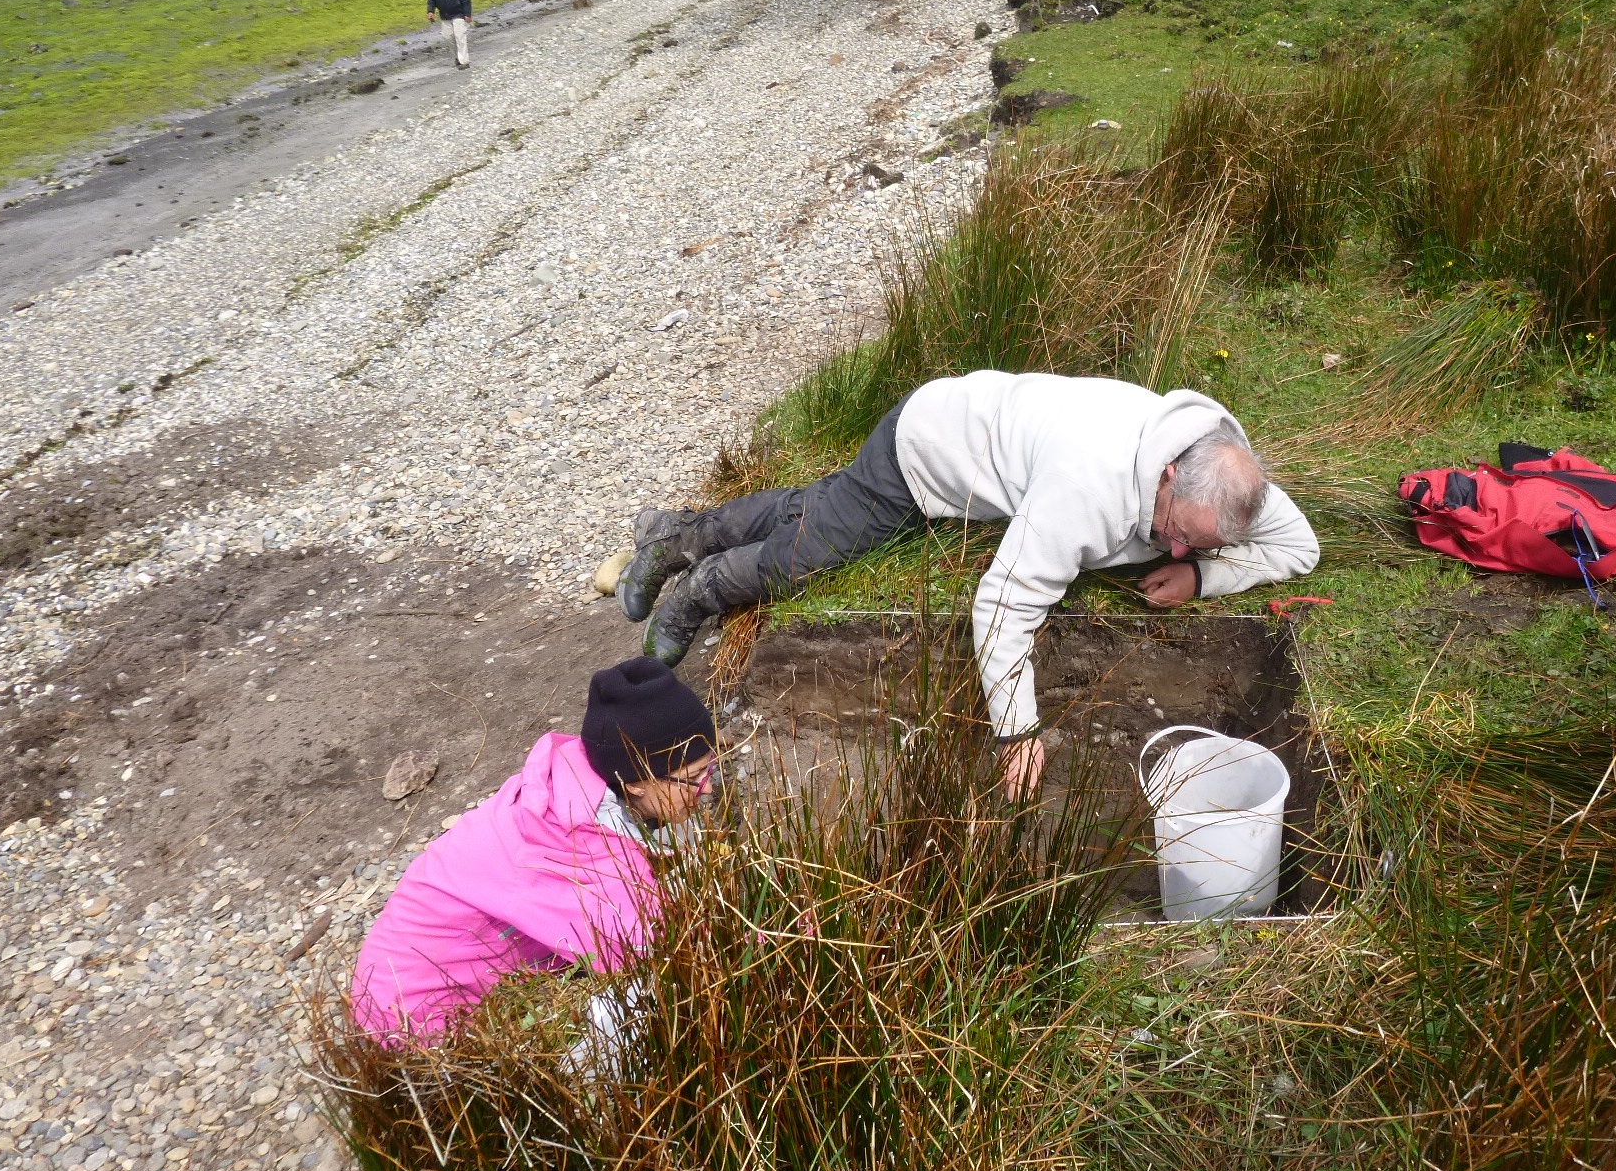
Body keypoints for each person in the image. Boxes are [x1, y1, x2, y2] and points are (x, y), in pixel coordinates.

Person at [617, 371, 1319, 799]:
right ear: (1168, 475)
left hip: (980, 416)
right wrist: (1017, 734)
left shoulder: (1221, 473)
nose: (1170, 545)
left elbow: (1299, 546)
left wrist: (1204, 574)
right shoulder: (1088, 489)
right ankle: (697, 588)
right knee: (807, 554)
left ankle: (674, 532)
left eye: (1194, 541)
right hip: (925, 452)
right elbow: (1003, 602)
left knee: (815, 509)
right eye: (1176, 529)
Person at [350, 657, 715, 1045]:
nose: (707, 789)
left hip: (443, 978)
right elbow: (670, 949)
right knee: (645, 1007)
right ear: (636, 782)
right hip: (415, 1027)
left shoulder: (571, 784)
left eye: (711, 769)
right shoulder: (572, 844)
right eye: (693, 779)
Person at [427, 0, 474, 71]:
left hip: (458, 14)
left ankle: (464, 61)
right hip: (445, 16)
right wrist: (430, 11)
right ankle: (456, 58)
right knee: (448, 37)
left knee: (460, 36)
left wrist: (467, 13)